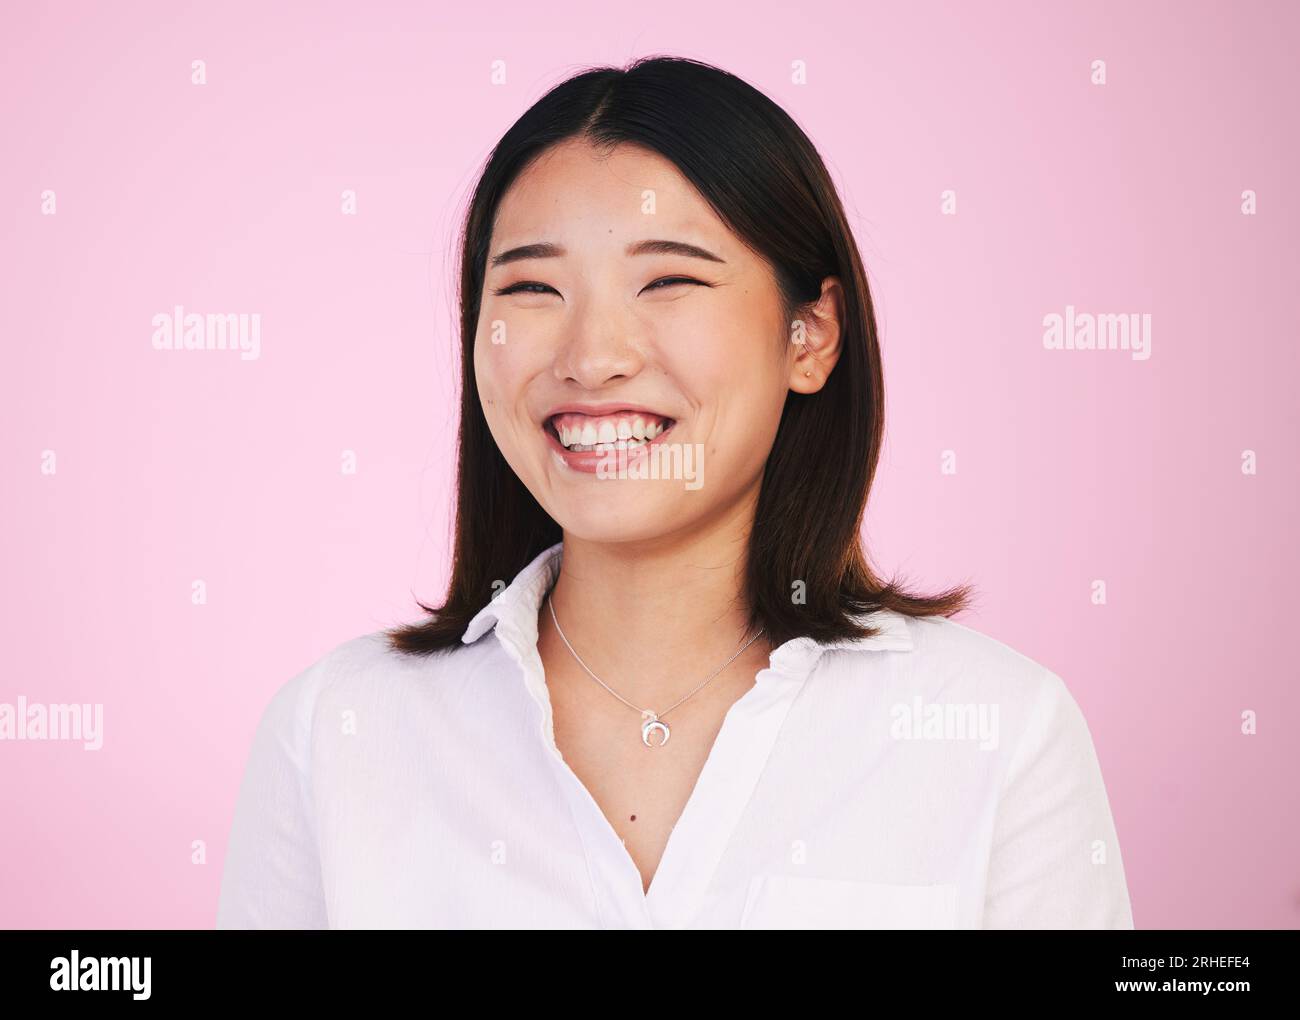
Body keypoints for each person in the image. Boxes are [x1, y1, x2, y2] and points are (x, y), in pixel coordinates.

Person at [216, 55, 1134, 929]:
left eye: (668, 281)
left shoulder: (996, 733)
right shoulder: (335, 733)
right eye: (533, 287)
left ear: (809, 336)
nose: (593, 357)